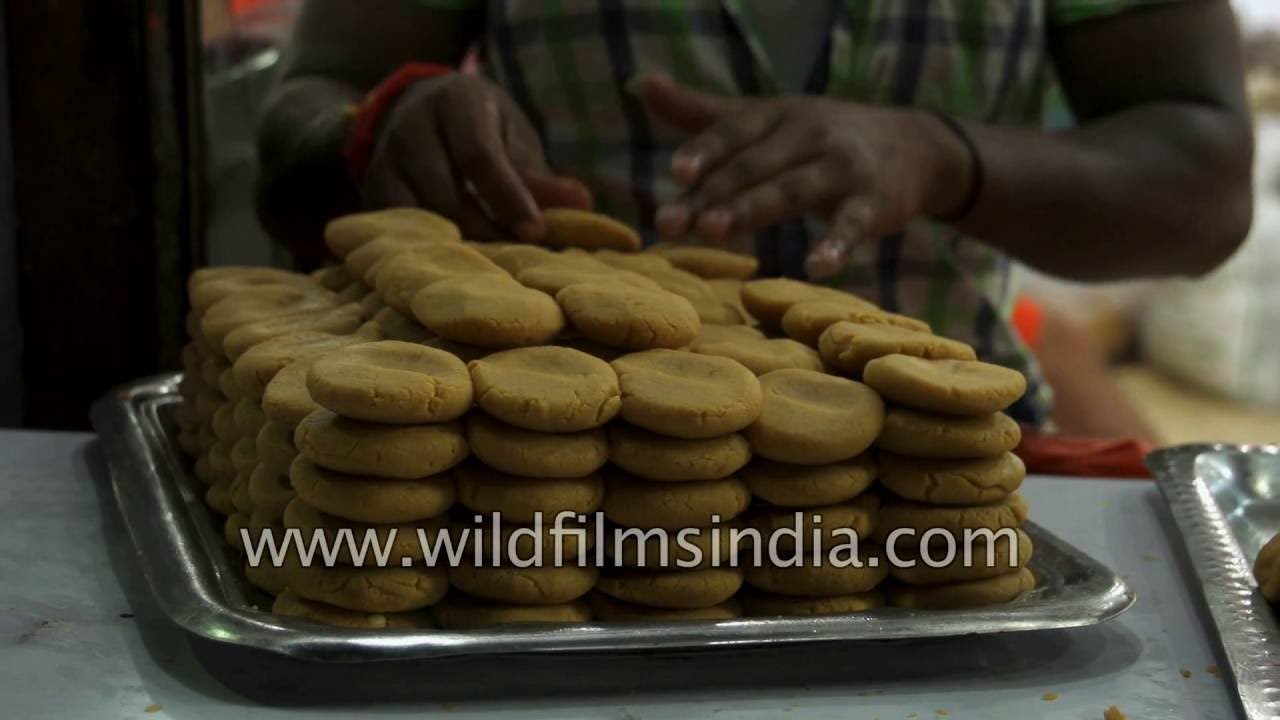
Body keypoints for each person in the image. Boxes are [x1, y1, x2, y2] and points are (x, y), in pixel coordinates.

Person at [256, 0, 1254, 428]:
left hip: (942, 483)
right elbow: (297, 125)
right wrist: (378, 129)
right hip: (546, 488)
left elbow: (1200, 190)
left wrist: (943, 158)